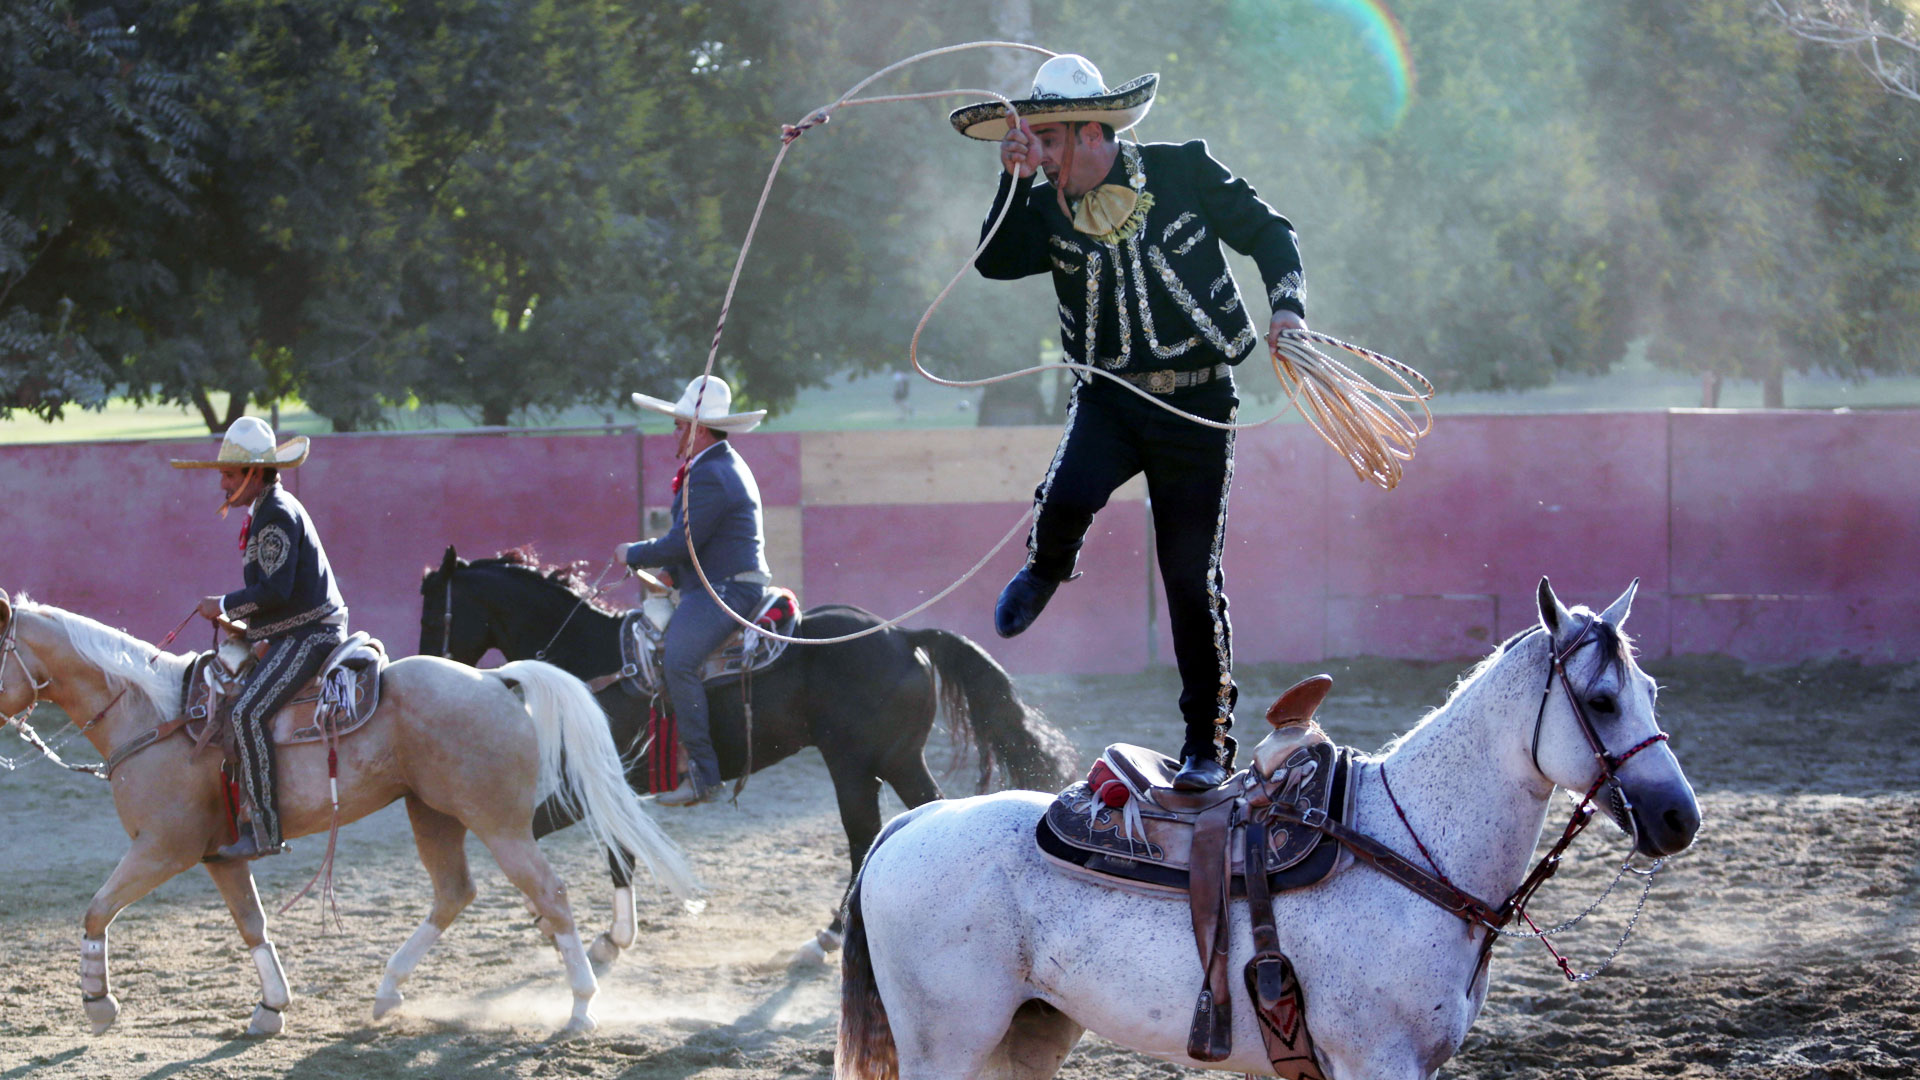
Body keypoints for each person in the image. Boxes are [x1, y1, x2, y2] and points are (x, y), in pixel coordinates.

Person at [951, 54, 1309, 791]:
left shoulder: (1184, 170)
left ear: (1092, 132)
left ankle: (1208, 745)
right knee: (1064, 496)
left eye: (1048, 141)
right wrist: (1010, 181)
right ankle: (1047, 567)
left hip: (1198, 404)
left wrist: (1288, 308)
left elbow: (1271, 234)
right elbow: (994, 263)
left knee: (1189, 577)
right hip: (1109, 399)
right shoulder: (1042, 199)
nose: (1041, 156)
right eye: (1034, 143)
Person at [172, 417, 348, 860]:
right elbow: (277, 598)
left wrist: (224, 605)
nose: (222, 483)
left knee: (248, 712)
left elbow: (275, 591)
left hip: (313, 635)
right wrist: (250, 629)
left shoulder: (276, 515)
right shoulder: (268, 510)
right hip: (295, 630)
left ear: (253, 474)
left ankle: (266, 830)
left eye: (228, 475)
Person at [618, 376, 771, 806]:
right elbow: (699, 544)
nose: (674, 433)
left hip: (726, 591)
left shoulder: (709, 474)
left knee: (679, 661)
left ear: (699, 430)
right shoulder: (719, 465)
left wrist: (632, 553)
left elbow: (683, 543)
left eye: (680, 425)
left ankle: (703, 775)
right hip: (717, 583)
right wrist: (670, 576)